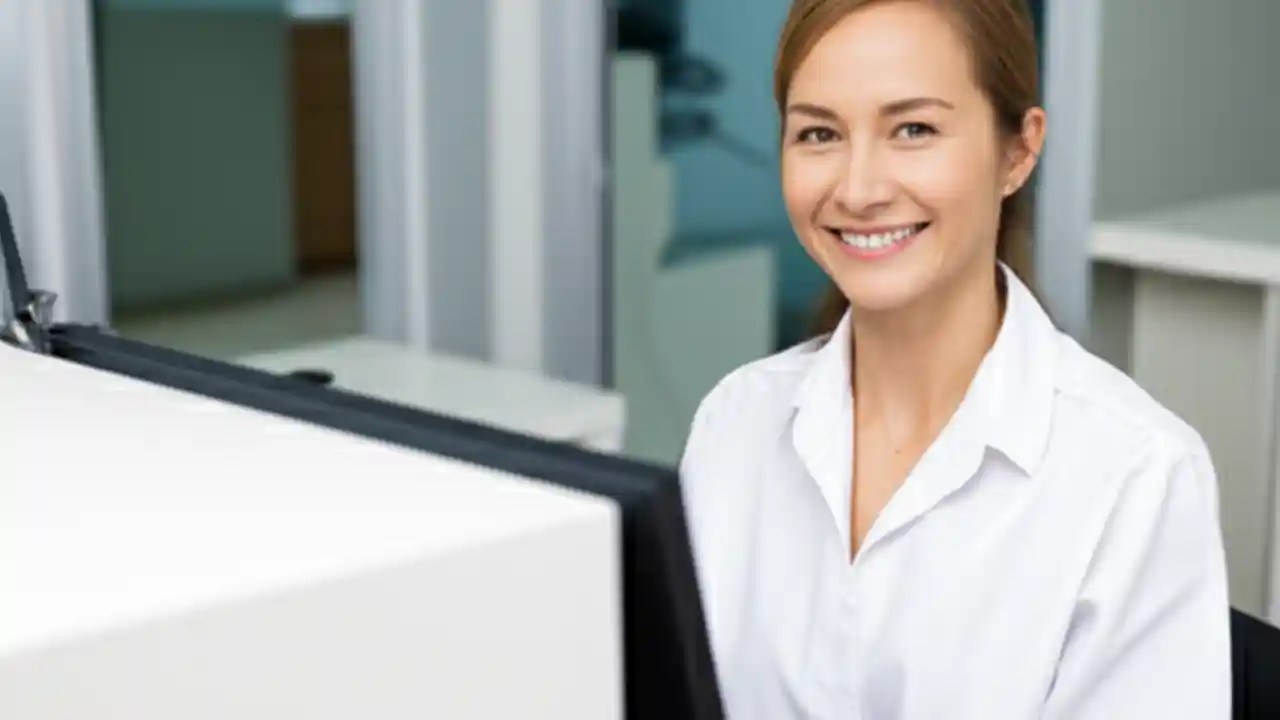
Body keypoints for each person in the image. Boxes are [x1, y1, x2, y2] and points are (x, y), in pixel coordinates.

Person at [678, 0, 1231, 717]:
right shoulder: (735, 423)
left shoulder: (1135, 474)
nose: (858, 189)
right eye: (819, 133)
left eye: (914, 129)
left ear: (1018, 151)